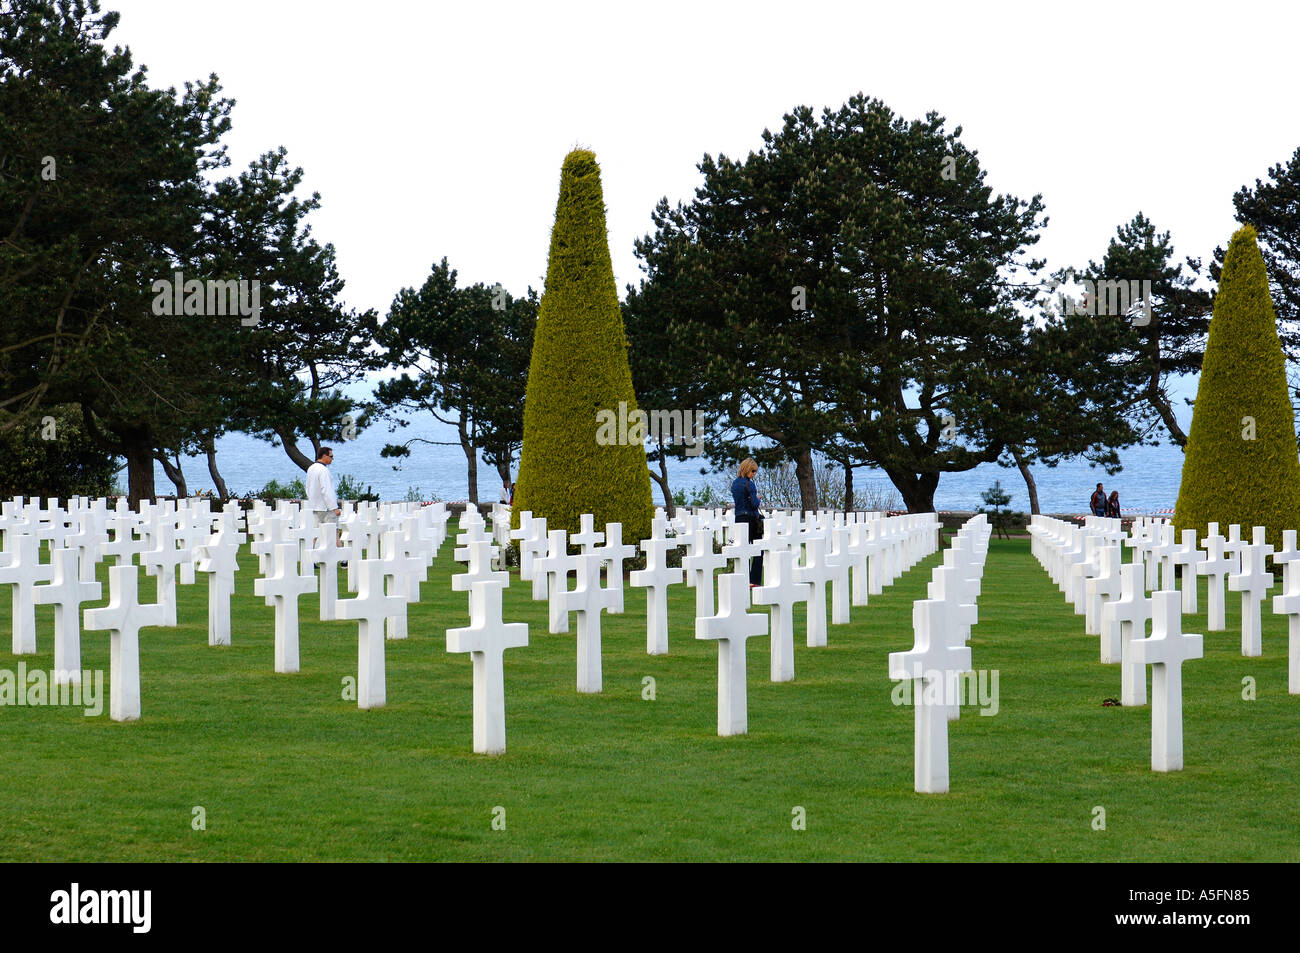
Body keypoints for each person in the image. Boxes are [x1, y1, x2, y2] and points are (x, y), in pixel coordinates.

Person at [731, 458, 764, 587]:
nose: (754, 474)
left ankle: (743, 579)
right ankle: (754, 580)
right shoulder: (749, 484)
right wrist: (757, 498)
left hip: (739, 518)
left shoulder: (735, 483)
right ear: (746, 469)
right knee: (758, 550)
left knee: (743, 550)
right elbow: (754, 504)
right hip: (751, 518)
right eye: (753, 471)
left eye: (755, 471)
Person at [307, 446, 341, 545]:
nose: (332, 459)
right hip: (326, 507)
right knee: (334, 531)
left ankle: (312, 556)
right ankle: (343, 558)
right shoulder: (323, 470)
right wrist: (334, 507)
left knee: (316, 532)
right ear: (324, 456)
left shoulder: (311, 468)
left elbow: (308, 487)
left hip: (315, 506)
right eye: (331, 456)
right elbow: (326, 490)